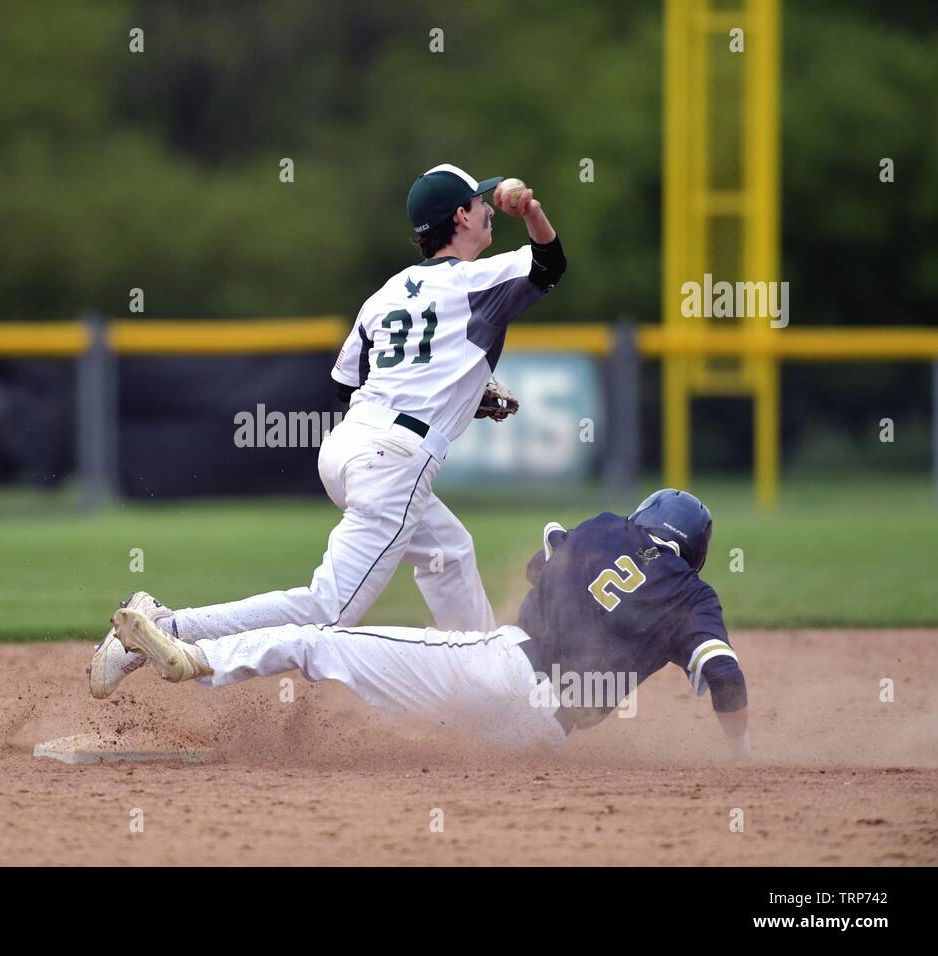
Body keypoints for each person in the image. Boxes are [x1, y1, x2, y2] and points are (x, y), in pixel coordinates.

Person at [89, 163, 567, 698]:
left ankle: (488, 687)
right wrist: (531, 211)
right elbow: (549, 264)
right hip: (396, 459)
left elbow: (347, 383)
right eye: (479, 202)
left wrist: (458, 389)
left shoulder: (385, 294)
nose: (487, 210)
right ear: (461, 215)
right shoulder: (478, 281)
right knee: (327, 609)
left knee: (449, 552)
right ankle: (169, 633)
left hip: (347, 446)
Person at [106, 490, 751, 755]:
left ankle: (194, 654)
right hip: (540, 739)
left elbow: (538, 566)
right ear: (693, 551)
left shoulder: (608, 529)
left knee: (317, 640)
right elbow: (724, 675)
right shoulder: (695, 600)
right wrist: (741, 756)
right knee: (420, 742)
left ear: (645, 520)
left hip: (498, 669)